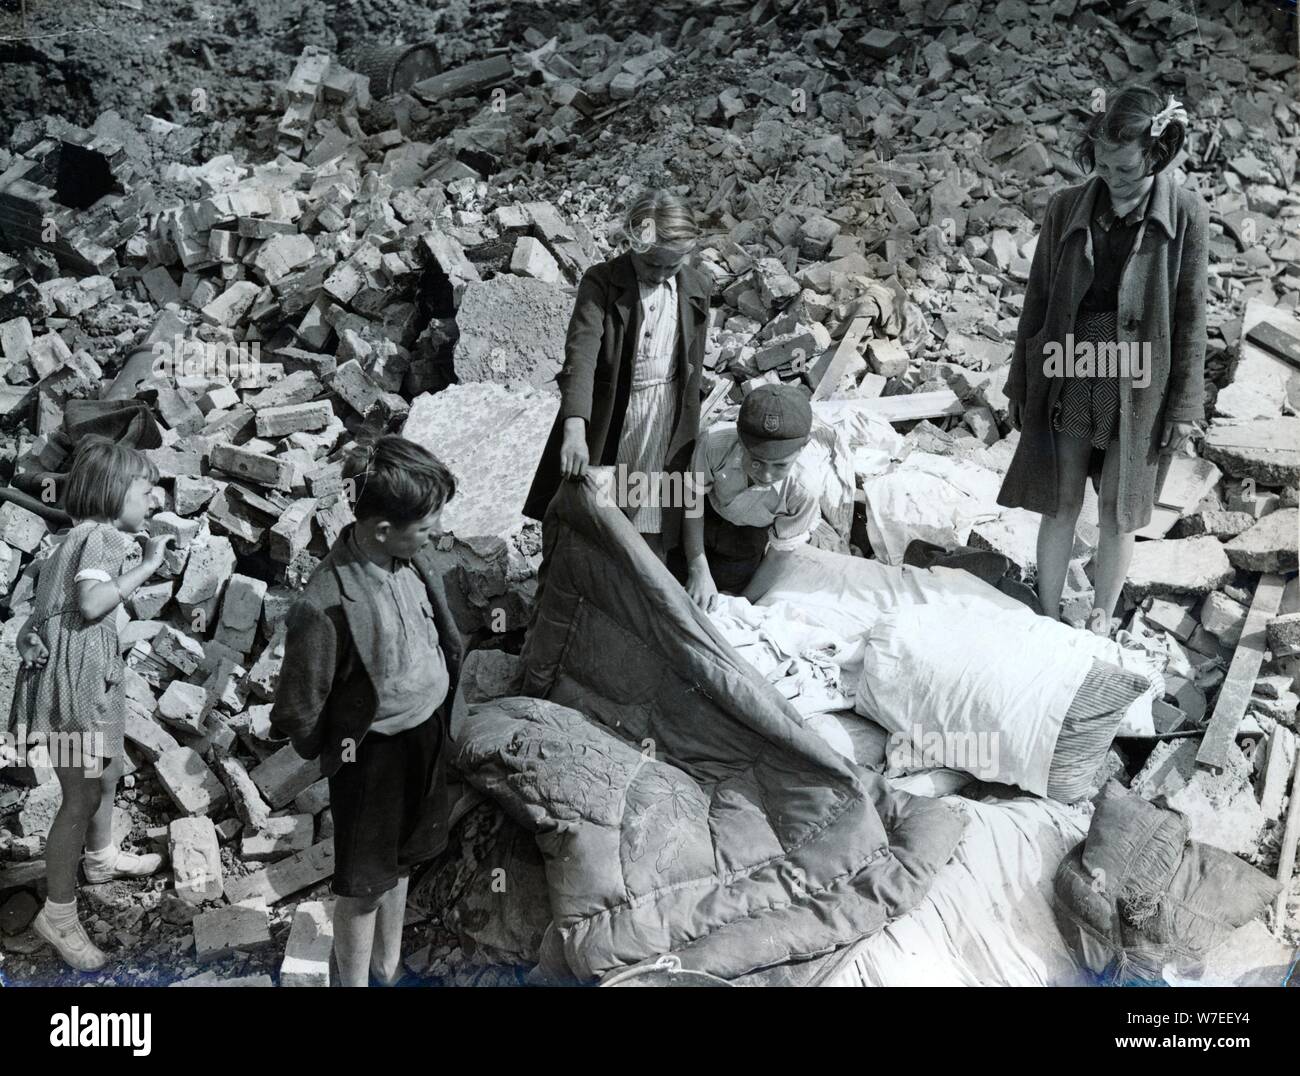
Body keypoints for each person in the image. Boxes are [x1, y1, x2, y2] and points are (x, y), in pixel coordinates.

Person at [998, 85, 1208, 634]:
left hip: (1140, 375)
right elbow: (1038, 300)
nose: (1109, 176)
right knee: (1060, 498)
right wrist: (1021, 383)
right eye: (1101, 163)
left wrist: (1184, 407)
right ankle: (1046, 615)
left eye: (1122, 167)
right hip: (1071, 361)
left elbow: (1190, 317)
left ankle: (1100, 618)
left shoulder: (1186, 213)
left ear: (1156, 155)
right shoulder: (1067, 206)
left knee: (1119, 508)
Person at [270, 435, 462, 988]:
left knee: (400, 864)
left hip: (422, 738)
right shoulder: (325, 601)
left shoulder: (411, 560)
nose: (436, 535)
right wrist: (336, 750)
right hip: (371, 758)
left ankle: (388, 969)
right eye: (426, 527)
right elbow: (298, 706)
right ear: (383, 531)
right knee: (364, 885)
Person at [2, 436, 170, 971]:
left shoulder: (71, 538)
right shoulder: (100, 536)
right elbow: (94, 603)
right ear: (115, 492)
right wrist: (150, 561)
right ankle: (58, 913)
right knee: (78, 797)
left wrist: (31, 632)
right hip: (75, 685)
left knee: (108, 772)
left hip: (88, 675)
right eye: (145, 491)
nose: (154, 500)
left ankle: (99, 859)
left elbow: (39, 609)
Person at [523, 188, 712, 562]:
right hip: (613, 417)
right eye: (651, 265)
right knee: (593, 515)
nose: (659, 275)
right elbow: (581, 357)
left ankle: (640, 593)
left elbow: (693, 366)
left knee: (654, 514)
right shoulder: (602, 283)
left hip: (664, 416)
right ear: (632, 245)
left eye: (670, 266)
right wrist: (574, 429)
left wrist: (690, 428)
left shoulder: (696, 288)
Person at [682, 383, 820, 610]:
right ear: (740, 439)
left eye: (779, 465)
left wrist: (741, 603)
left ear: (803, 447)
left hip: (746, 542)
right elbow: (692, 500)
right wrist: (698, 568)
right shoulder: (714, 444)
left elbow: (778, 556)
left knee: (717, 601)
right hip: (702, 519)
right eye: (755, 460)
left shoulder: (804, 489)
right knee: (668, 582)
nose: (766, 474)